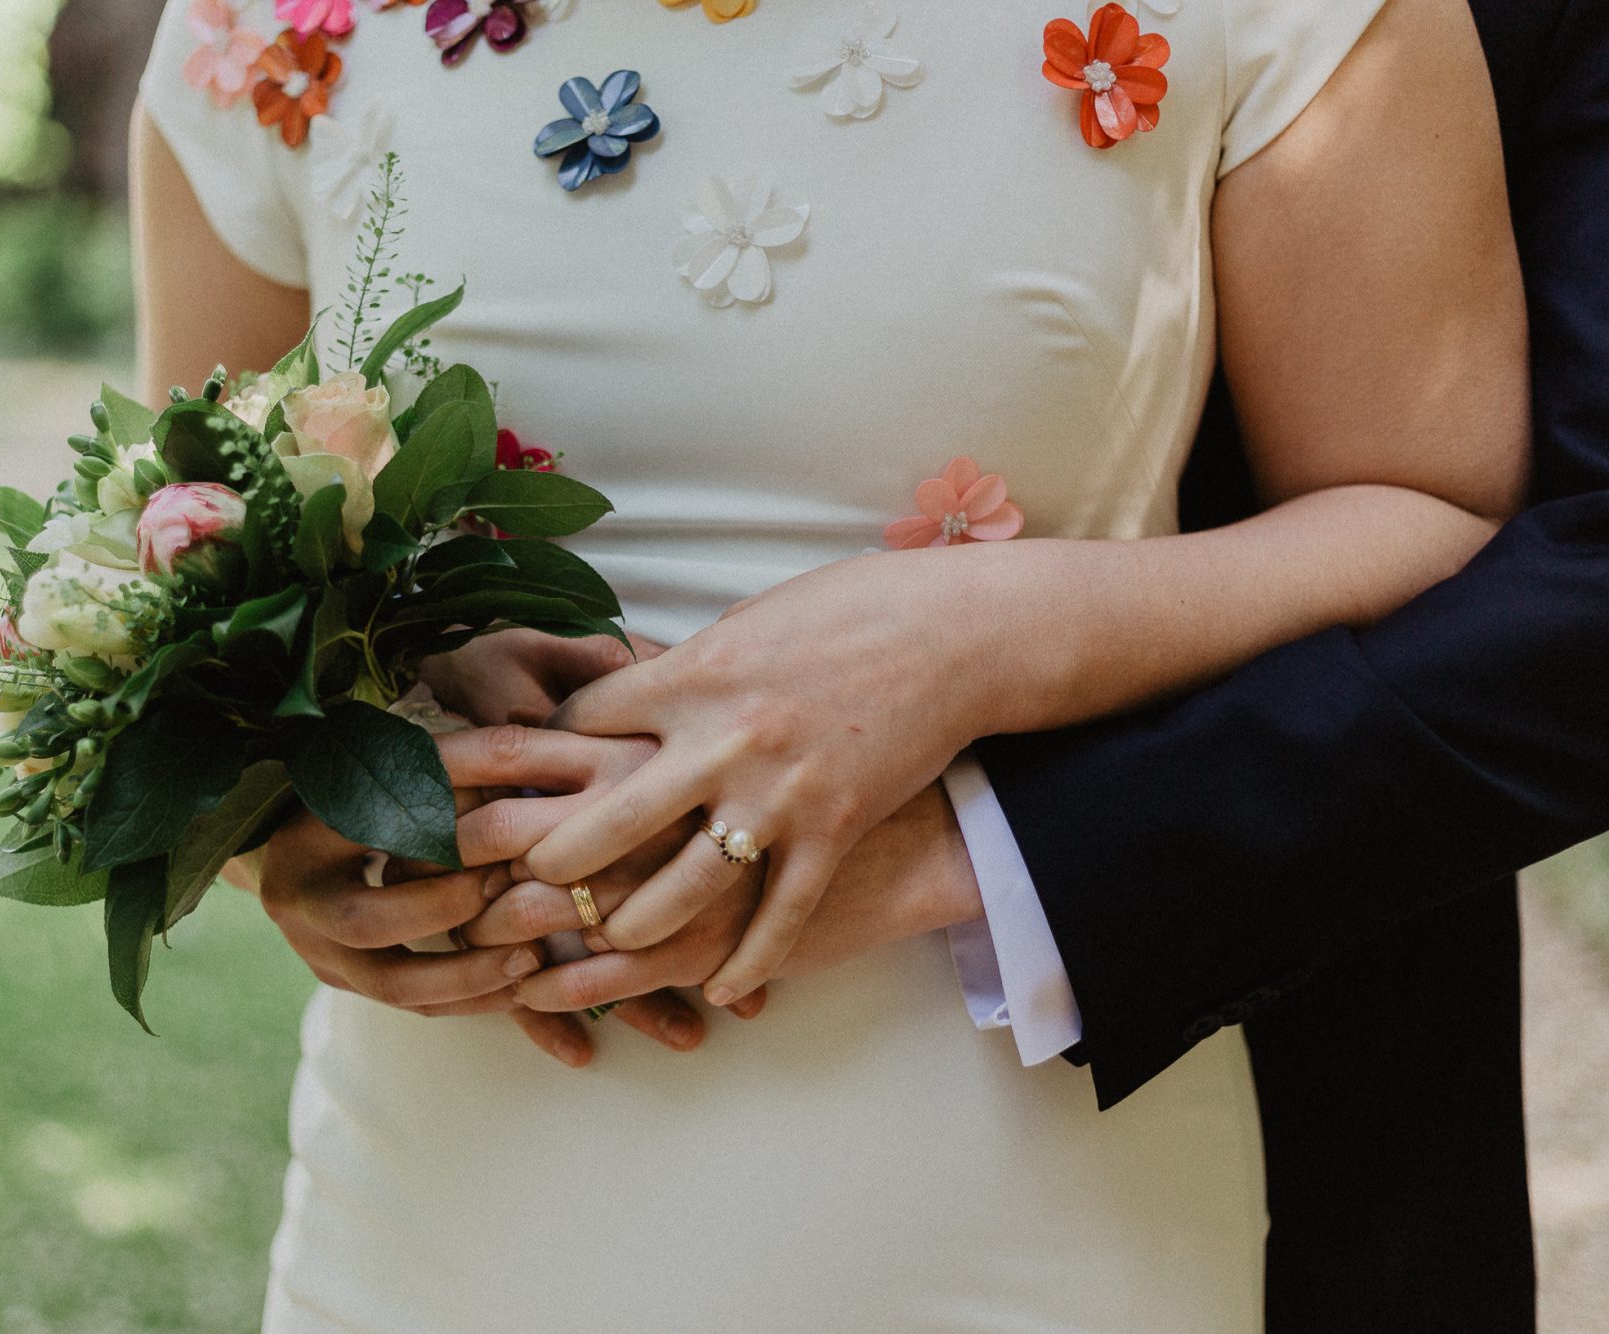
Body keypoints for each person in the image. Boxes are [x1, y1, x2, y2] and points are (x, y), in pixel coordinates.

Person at [132, 0, 1527, 1329]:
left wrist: (973, 638)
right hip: (433, 1206)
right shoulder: (253, 32)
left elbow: (1432, 519)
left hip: (1021, 1196)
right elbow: (196, 576)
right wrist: (277, 819)